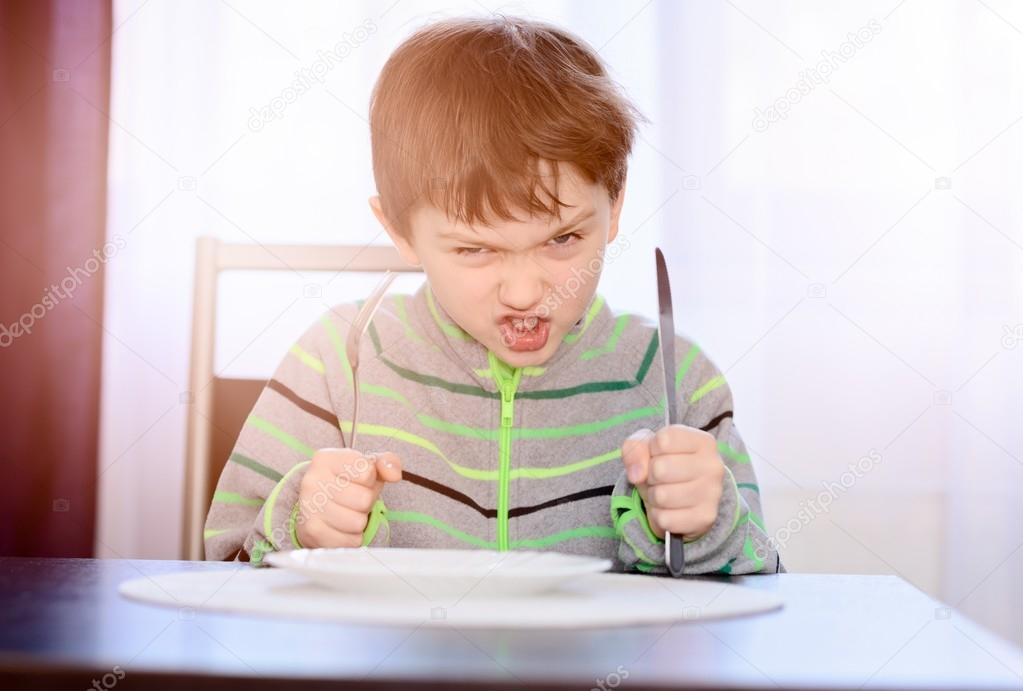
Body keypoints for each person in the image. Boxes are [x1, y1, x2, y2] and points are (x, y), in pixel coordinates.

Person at [204, 15, 783, 575]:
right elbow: (222, 563)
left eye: (563, 238)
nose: (527, 291)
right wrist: (301, 528)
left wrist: (704, 526)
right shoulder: (340, 362)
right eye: (476, 250)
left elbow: (759, 574)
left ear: (615, 208)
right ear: (399, 232)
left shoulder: (675, 381)